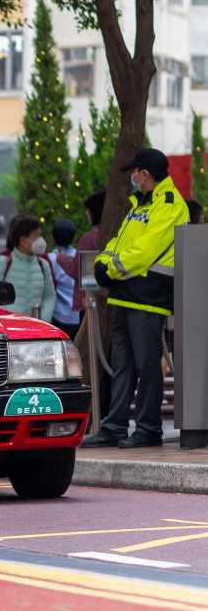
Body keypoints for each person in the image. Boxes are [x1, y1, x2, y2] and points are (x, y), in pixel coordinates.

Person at [83, 148, 188, 449]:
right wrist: (104, 260)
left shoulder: (169, 205)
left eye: (135, 172)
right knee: (122, 367)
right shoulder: (139, 203)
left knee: (147, 368)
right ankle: (114, 427)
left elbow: (144, 251)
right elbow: (120, 241)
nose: (132, 176)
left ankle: (148, 428)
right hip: (123, 296)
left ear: (145, 174)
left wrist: (109, 269)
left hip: (147, 298)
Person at [0, 215, 55, 322]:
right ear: (23, 240)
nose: (41, 241)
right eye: (36, 236)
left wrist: (44, 320)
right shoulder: (2, 262)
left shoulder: (43, 265)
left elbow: (49, 297)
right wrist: (7, 319)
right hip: (10, 327)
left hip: (36, 328)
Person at [47, 219, 82, 340]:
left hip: (58, 315)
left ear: (53, 237)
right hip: (78, 315)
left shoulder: (50, 258)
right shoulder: (79, 256)